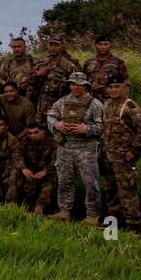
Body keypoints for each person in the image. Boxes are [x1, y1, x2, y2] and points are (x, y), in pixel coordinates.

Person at [46, 72, 104, 225]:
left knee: (90, 182)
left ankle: (93, 215)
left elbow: (102, 126)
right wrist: (56, 124)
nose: (75, 87)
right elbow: (50, 116)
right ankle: (64, 211)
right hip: (65, 147)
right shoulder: (62, 101)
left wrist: (85, 129)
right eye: (72, 84)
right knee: (65, 180)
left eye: (78, 84)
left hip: (86, 149)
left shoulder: (95, 104)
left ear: (85, 86)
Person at [99, 78, 141, 231]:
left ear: (123, 87)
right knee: (110, 192)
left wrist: (133, 151)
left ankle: (134, 228)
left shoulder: (129, 106)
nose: (114, 90)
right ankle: (112, 225)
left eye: (117, 86)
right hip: (108, 157)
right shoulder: (107, 104)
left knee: (127, 194)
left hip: (124, 159)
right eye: (110, 87)